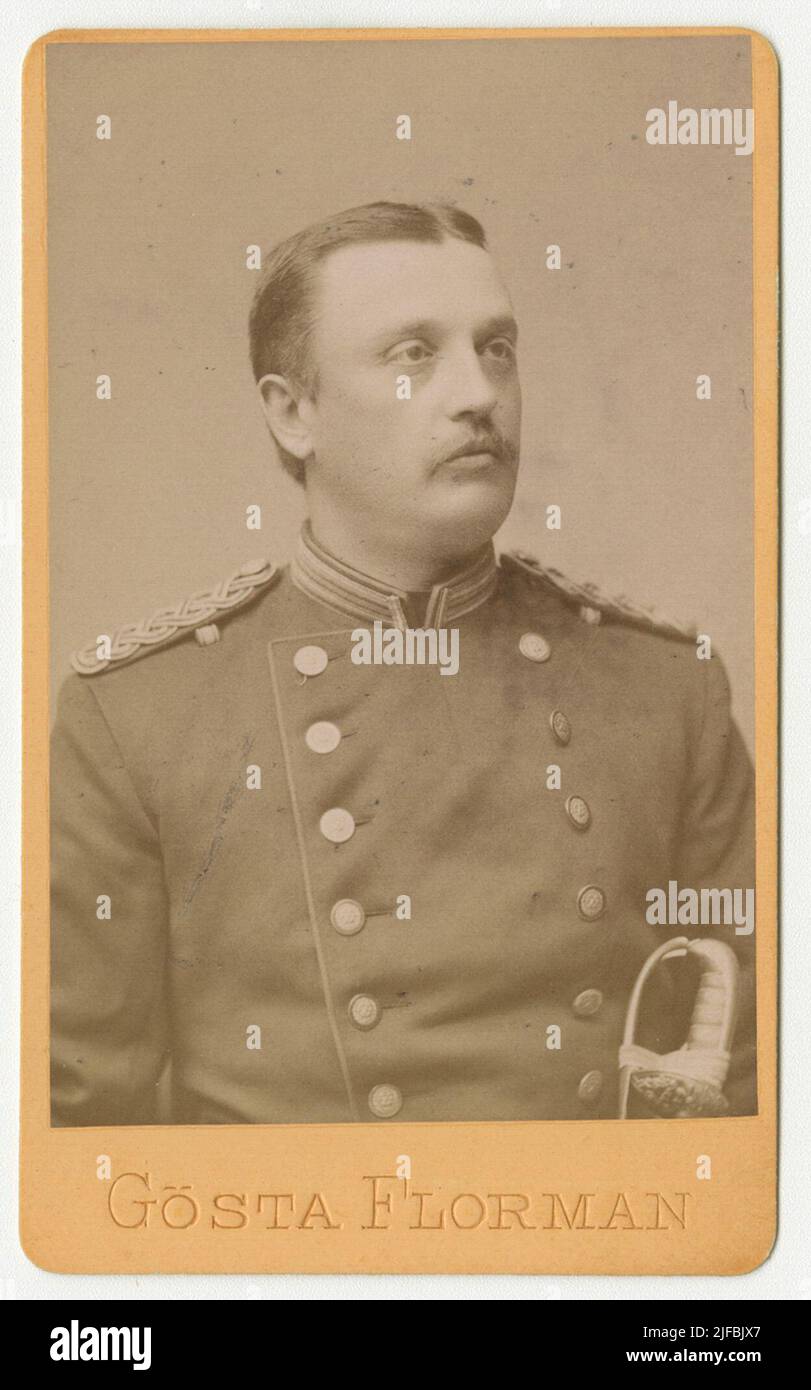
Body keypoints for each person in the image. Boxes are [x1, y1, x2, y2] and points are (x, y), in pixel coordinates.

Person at [50, 201, 756, 1126]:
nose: (478, 393)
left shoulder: (666, 690)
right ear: (293, 413)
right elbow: (80, 1137)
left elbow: (747, 1094)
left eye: (495, 348)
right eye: (413, 354)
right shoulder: (139, 713)